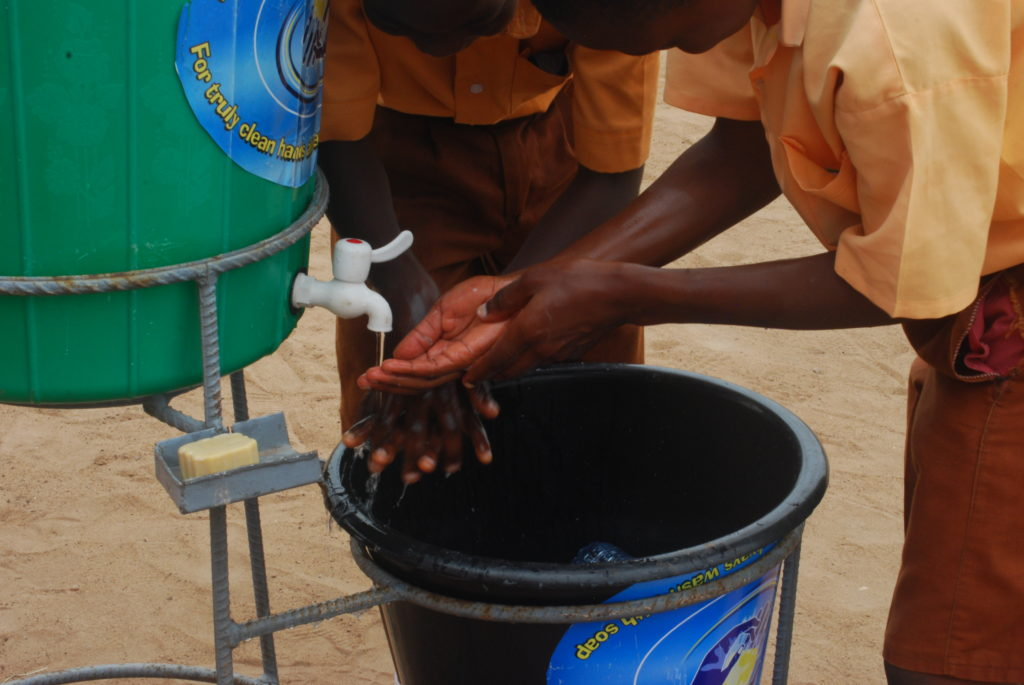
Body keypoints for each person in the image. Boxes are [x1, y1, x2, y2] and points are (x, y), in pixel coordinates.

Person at [360, 1, 1024, 683]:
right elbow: (741, 151)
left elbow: (907, 280)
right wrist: (533, 287)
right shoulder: (750, 12)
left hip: (1004, 330)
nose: (642, 57)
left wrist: (632, 294)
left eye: (634, 36)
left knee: (949, 660)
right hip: (968, 335)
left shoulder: (893, 41)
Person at [317, 0, 658, 483]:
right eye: (400, 27)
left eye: (476, 24)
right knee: (412, 407)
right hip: (388, 181)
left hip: (569, 170)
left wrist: (497, 309)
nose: (437, 48)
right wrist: (397, 278)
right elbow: (335, 134)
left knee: (592, 385)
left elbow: (611, 175)